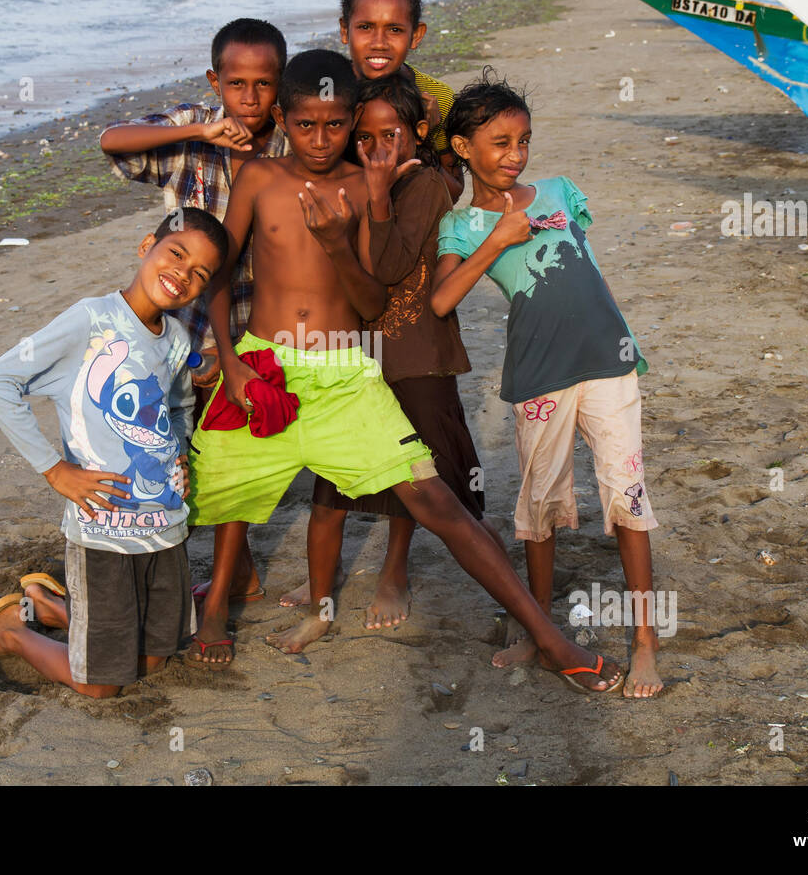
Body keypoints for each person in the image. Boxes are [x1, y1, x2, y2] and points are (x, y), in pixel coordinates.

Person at [186, 50, 623, 696]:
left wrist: (339, 240)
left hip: (342, 372)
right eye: (306, 125)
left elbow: (370, 303)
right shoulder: (257, 177)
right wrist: (229, 362)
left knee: (436, 499)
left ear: (351, 122)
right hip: (260, 363)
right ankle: (215, 605)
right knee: (218, 495)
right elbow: (220, 273)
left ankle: (552, 638)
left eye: (336, 126)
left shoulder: (365, 187)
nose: (321, 139)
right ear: (282, 118)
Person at [430, 71, 664, 698]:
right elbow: (441, 300)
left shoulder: (559, 190)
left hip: (610, 361)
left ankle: (645, 640)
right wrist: (499, 238)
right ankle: (539, 626)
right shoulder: (461, 227)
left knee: (628, 493)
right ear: (463, 149)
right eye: (501, 143)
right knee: (540, 503)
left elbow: (586, 272)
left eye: (524, 140)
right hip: (539, 376)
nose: (516, 155)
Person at [0, 209, 228, 697]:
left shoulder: (178, 341)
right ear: (146, 247)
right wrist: (55, 470)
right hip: (103, 531)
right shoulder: (90, 321)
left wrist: (178, 449)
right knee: (100, 686)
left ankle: (53, 606)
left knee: (154, 661)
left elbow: (180, 407)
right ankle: (13, 632)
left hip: (165, 526)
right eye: (176, 254)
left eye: (199, 273)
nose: (183, 274)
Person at [279, 73, 506, 631]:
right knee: (336, 480)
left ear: (419, 132)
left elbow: (389, 268)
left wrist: (378, 192)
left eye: (392, 135)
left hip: (419, 354)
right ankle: (320, 594)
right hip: (368, 355)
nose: (379, 149)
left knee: (430, 475)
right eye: (366, 137)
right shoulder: (361, 182)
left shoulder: (425, 183)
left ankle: (402, 572)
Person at [100, 17, 287, 608]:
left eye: (264, 84)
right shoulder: (190, 129)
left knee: (233, 455)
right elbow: (112, 139)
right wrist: (205, 130)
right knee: (186, 447)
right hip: (191, 328)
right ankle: (239, 573)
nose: (250, 98)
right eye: (236, 84)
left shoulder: (290, 142)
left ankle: (236, 574)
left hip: (263, 325)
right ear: (215, 81)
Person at [339, 0, 463, 202]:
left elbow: (453, 192)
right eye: (365, 27)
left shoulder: (436, 96)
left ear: (415, 35)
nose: (379, 43)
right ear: (345, 30)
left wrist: (427, 134)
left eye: (394, 29)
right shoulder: (329, 93)